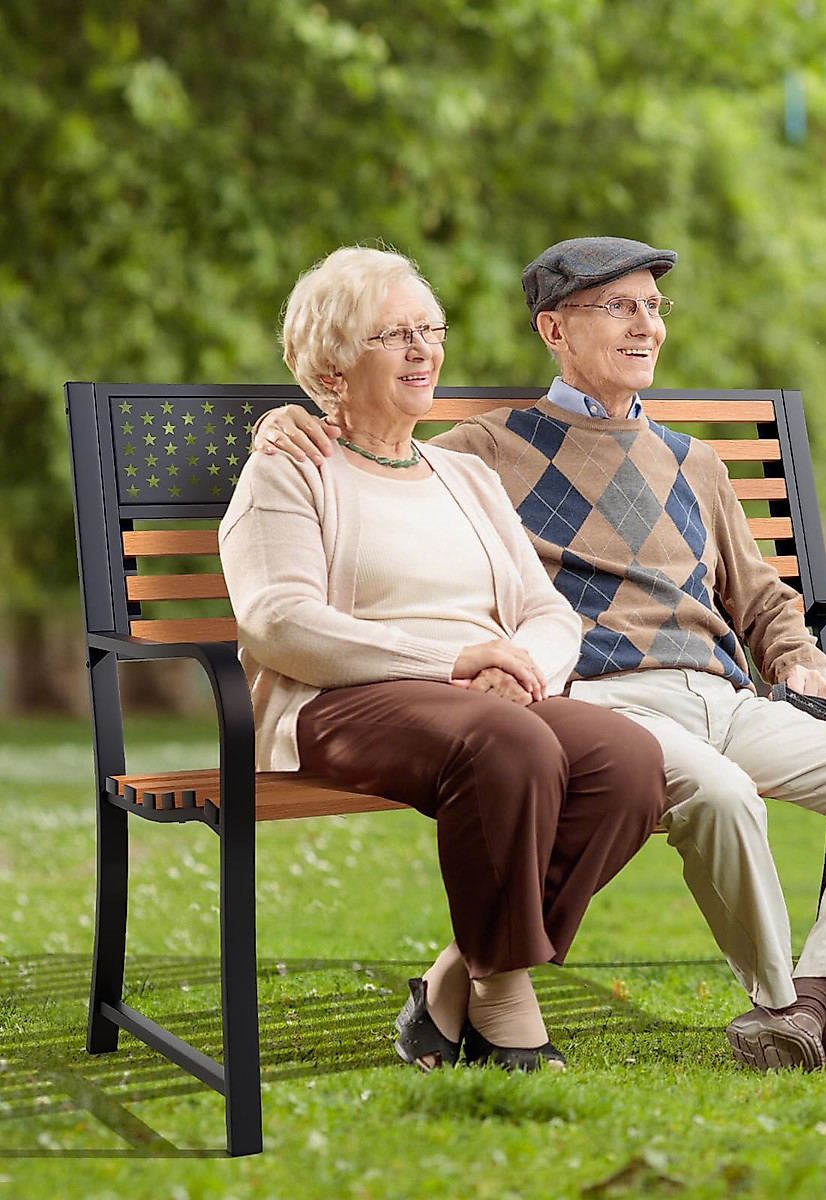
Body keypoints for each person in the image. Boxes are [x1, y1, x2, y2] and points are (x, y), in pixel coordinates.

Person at [254, 237, 826, 1073]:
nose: (646, 326)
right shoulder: (488, 449)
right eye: (619, 306)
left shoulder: (697, 463)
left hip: (724, 696)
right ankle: (783, 1011)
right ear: (554, 329)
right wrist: (283, 415)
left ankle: (807, 1003)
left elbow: (761, 596)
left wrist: (798, 658)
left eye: (653, 307)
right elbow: (366, 436)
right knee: (721, 797)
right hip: (601, 694)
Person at [221, 245, 665, 1074]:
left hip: (488, 695)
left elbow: (545, 610)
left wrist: (518, 665)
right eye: (396, 335)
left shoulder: (465, 475)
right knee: (512, 743)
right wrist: (456, 661)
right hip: (347, 699)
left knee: (629, 759)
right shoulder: (288, 469)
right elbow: (279, 622)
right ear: (334, 359)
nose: (425, 349)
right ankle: (504, 996)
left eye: (431, 330)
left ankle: (453, 976)